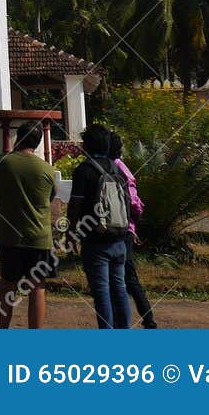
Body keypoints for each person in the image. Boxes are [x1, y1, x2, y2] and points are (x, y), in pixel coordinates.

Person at [0, 121, 61, 328]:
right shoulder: (46, 169)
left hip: (10, 235)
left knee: (7, 285)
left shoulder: (1, 161)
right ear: (37, 143)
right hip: (39, 237)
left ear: (17, 137)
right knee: (37, 286)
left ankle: (3, 329)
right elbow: (51, 196)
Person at [68, 123, 134, 329]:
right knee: (120, 288)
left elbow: (75, 204)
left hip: (96, 239)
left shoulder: (84, 170)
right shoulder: (118, 170)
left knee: (102, 291)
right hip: (119, 237)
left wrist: (71, 232)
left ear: (87, 145)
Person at [109, 131, 157, 328]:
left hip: (122, 230)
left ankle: (148, 320)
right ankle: (146, 318)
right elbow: (136, 204)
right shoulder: (122, 167)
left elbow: (134, 203)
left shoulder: (115, 169)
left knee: (126, 278)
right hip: (127, 228)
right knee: (126, 277)